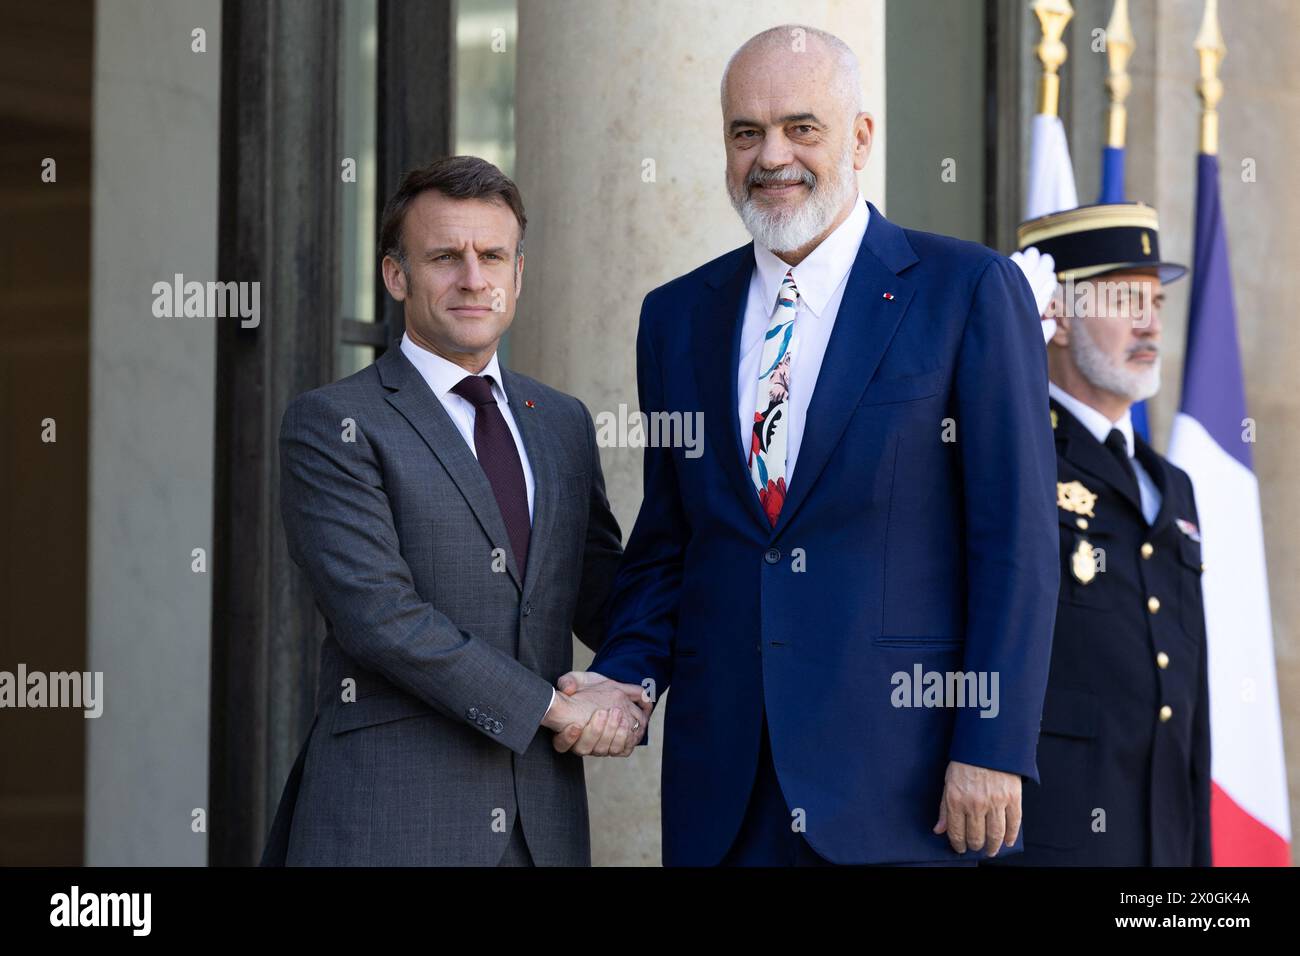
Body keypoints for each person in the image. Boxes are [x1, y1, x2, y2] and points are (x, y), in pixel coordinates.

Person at [556, 25, 1058, 866]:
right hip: (726, 795)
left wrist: (994, 744)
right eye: (745, 133)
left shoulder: (966, 290)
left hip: (910, 791)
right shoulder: (677, 316)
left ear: (860, 136)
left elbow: (1016, 544)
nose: (772, 155)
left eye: (802, 128)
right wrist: (629, 676)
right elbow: (671, 545)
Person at [260, 156, 642, 867]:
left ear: (517, 274)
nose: (473, 278)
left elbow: (602, 592)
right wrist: (558, 711)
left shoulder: (560, 422)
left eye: (492, 255)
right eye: (445, 257)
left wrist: (639, 680)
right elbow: (382, 619)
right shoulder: (334, 422)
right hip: (392, 824)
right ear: (396, 275)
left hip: (544, 830)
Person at [994, 202, 1211, 865]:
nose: (1149, 322)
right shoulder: (1016, 449)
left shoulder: (1170, 484)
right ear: (1056, 318)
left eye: (1155, 300)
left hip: (1160, 843)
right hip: (1054, 840)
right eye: (1122, 299)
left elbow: (1188, 703)